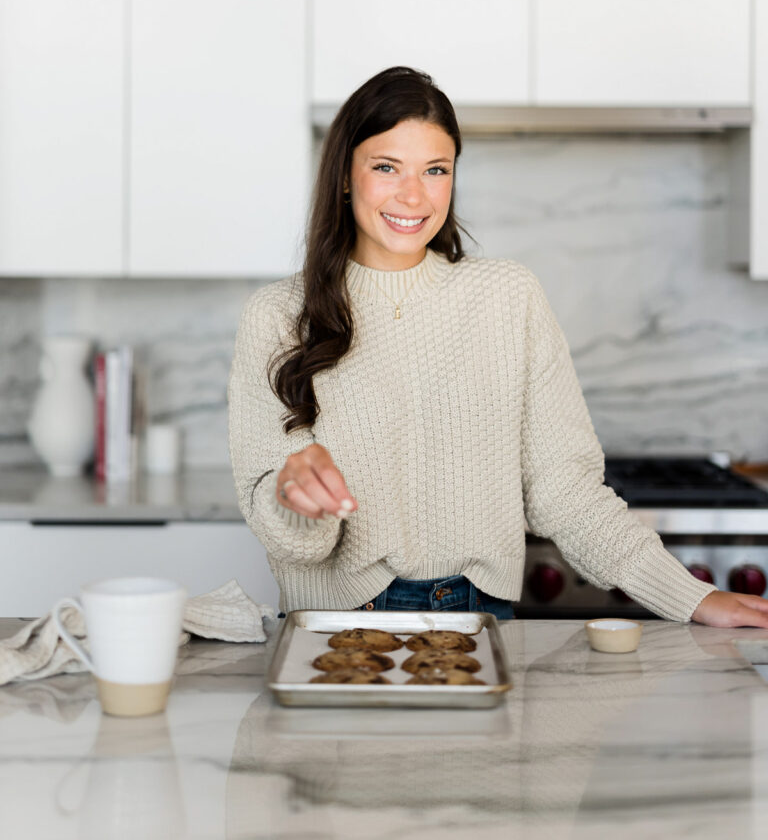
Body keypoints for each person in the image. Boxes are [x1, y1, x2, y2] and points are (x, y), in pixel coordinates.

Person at [228, 67, 768, 628]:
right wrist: (298, 500)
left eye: (434, 170)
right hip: (332, 624)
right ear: (345, 175)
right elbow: (298, 547)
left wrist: (691, 596)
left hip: (479, 620)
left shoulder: (508, 297)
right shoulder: (277, 317)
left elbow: (566, 491)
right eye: (386, 167)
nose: (412, 194)